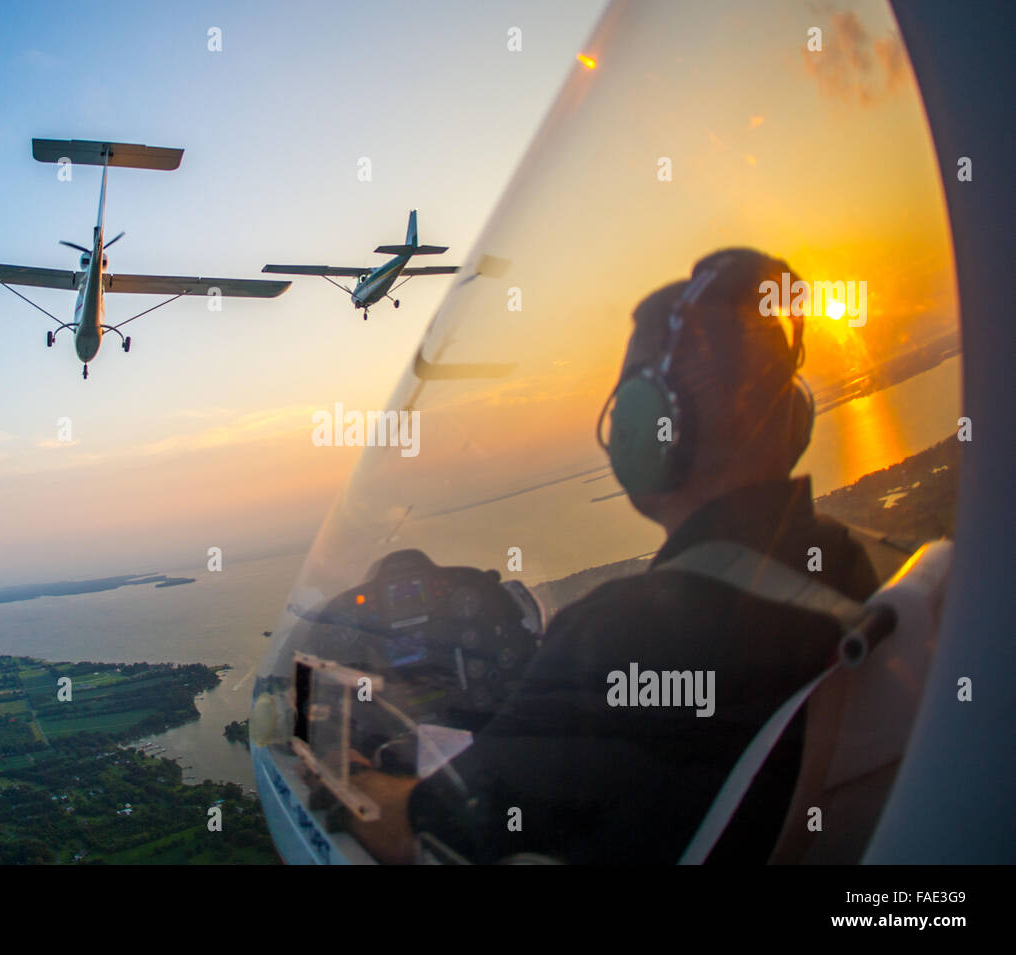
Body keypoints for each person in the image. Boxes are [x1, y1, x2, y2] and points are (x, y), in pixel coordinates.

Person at [347, 248, 881, 864]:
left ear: (650, 422)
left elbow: (431, 830)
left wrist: (353, 777)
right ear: (795, 413)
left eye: (630, 397)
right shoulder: (845, 564)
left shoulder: (622, 635)